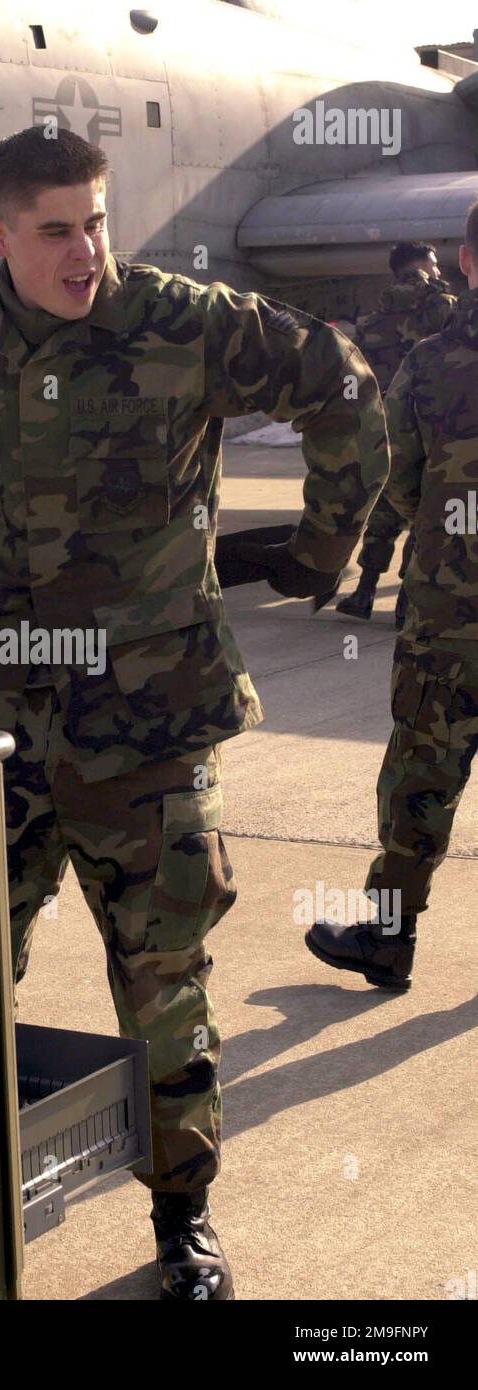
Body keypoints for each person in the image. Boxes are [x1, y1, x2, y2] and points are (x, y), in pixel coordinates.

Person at [0, 126, 388, 1300]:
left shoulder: (189, 325)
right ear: (1, 232)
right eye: (57, 229)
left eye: (98, 222)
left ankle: (185, 1223)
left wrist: (323, 550)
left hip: (153, 723)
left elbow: (347, 390)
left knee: (164, 980)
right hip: (0, 717)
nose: (86, 252)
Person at [307, 204, 478, 991]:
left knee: (422, 769)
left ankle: (386, 937)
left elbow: (398, 485)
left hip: (449, 612)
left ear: (467, 260)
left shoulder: (433, 362)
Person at [335, 241, 456, 625]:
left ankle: (365, 590)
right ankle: (407, 598)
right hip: (431, 419)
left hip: (380, 421)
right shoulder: (442, 307)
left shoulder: (373, 318)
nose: (438, 271)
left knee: (386, 505)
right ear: (420, 264)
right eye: (433, 264)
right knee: (425, 504)